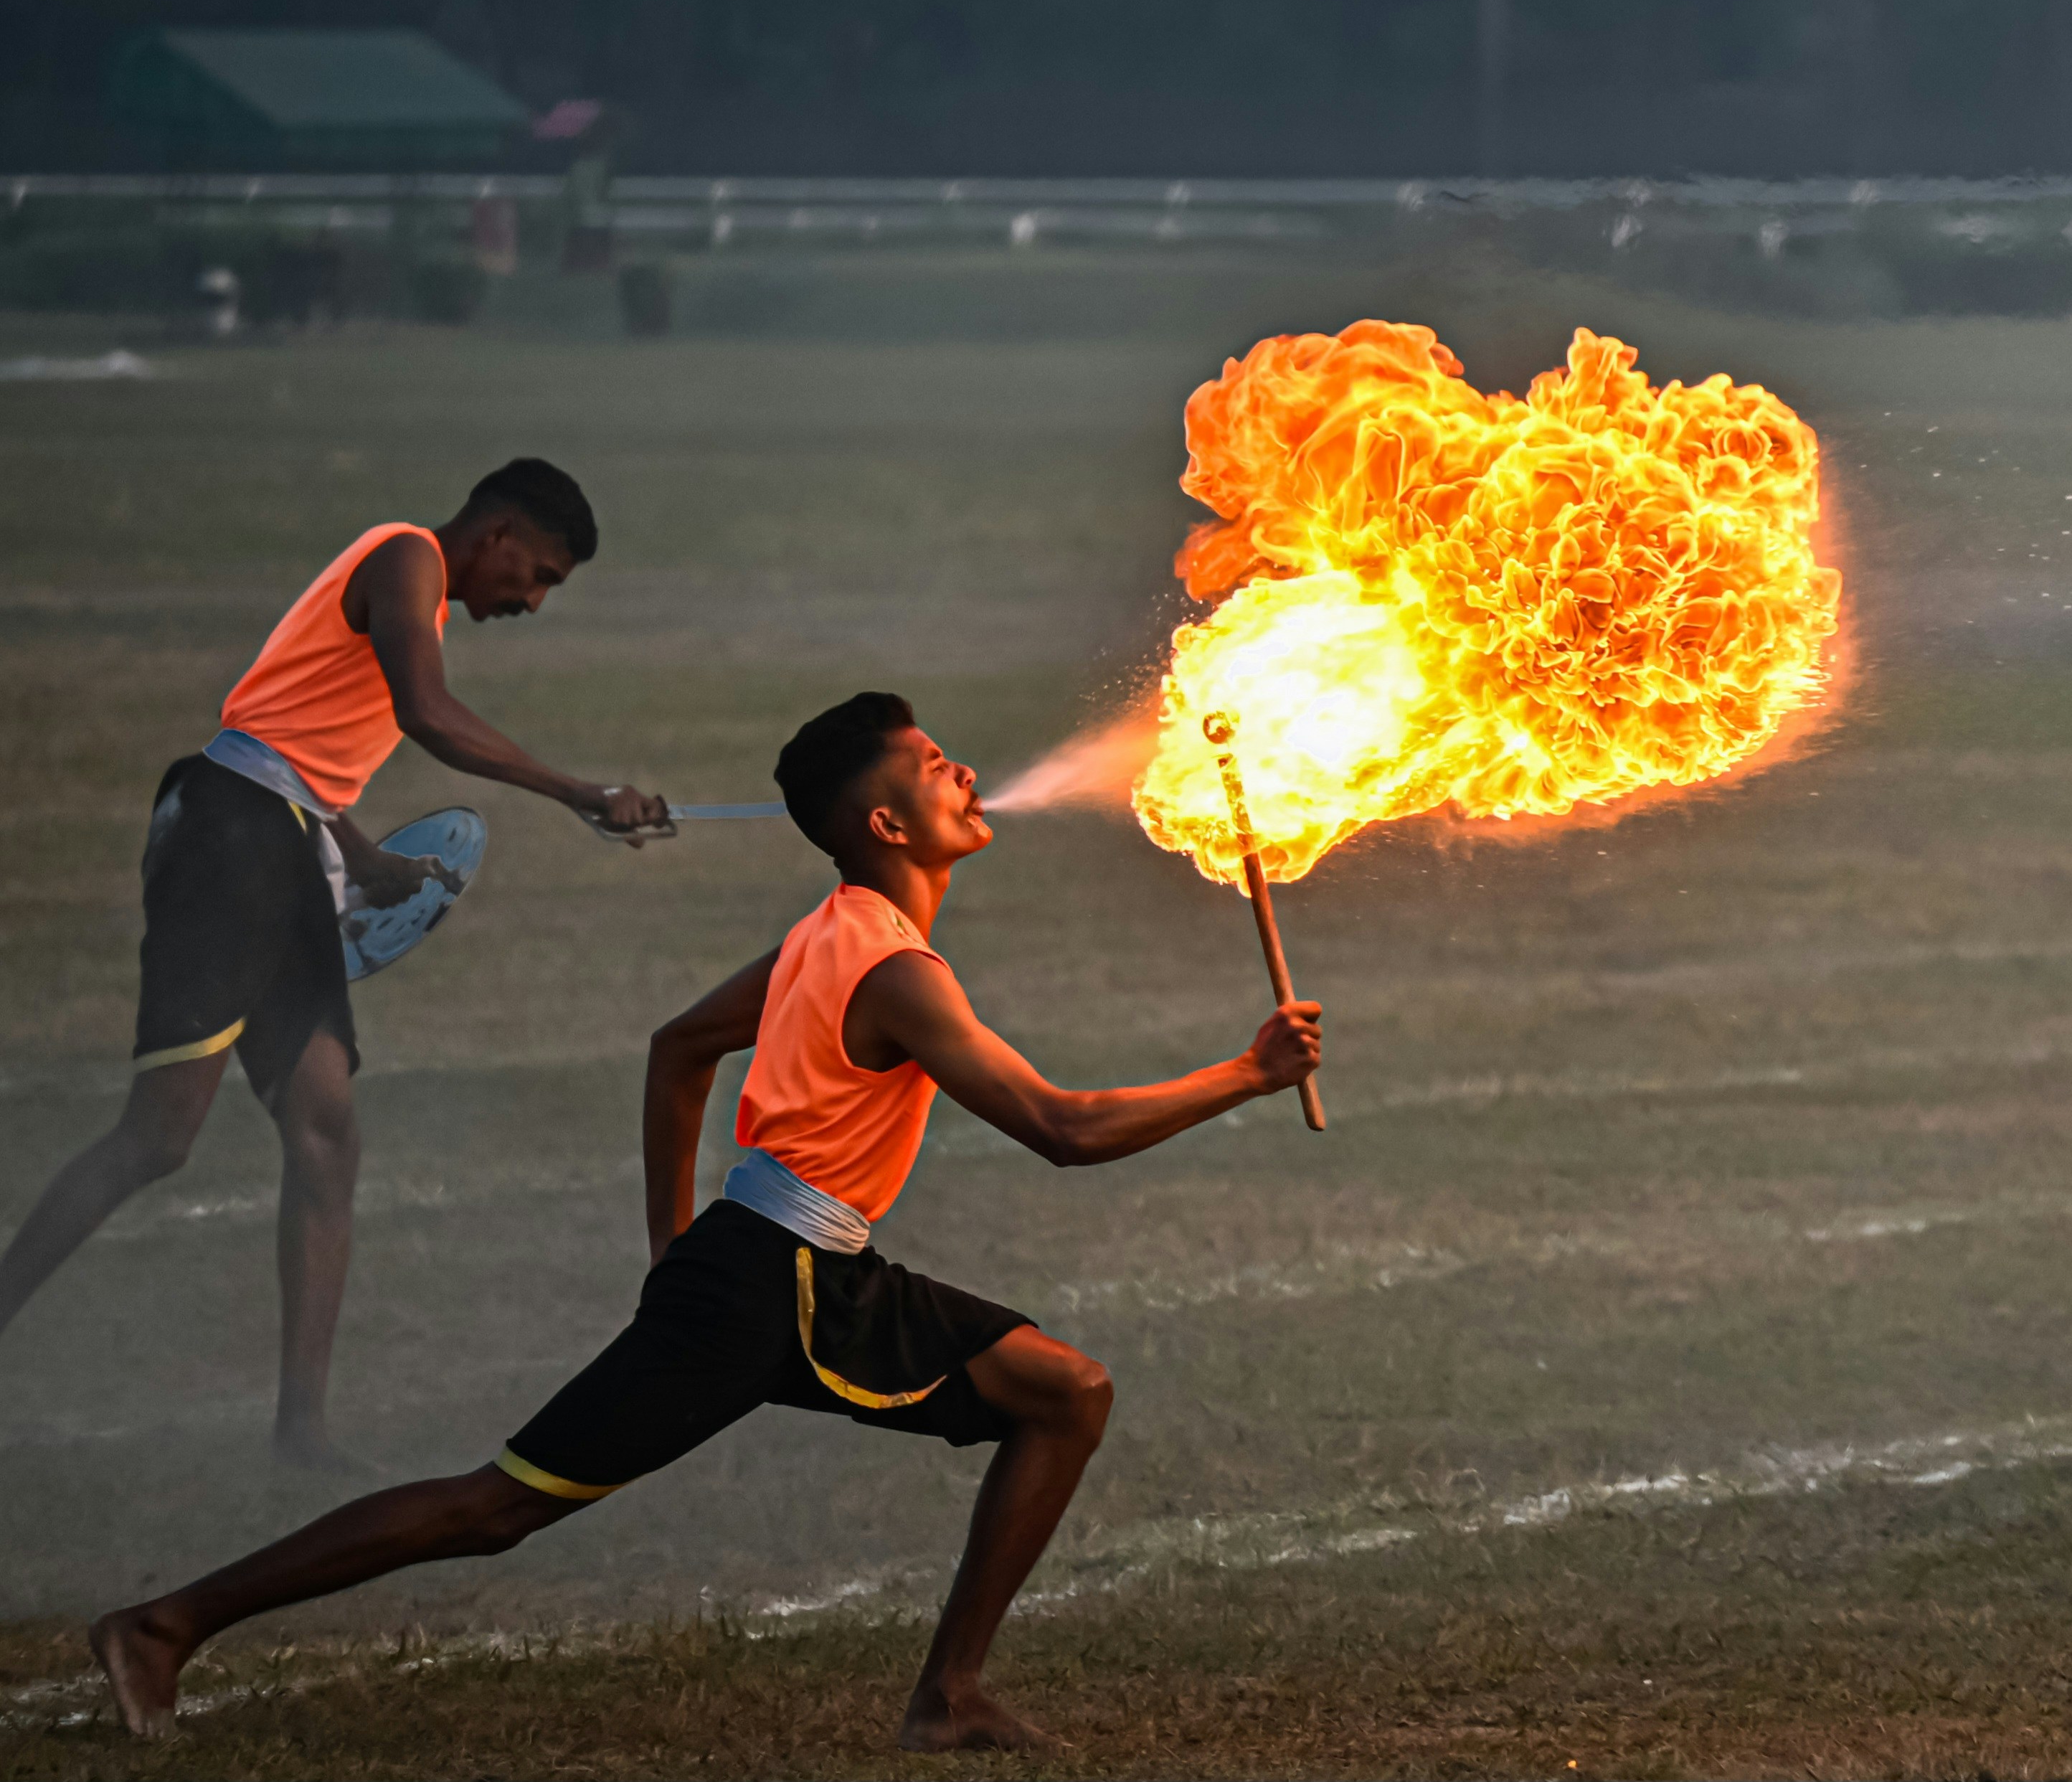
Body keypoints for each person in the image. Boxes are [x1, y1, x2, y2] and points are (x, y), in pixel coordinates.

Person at [85, 693, 1325, 1750]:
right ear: (886, 824)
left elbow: (678, 1047)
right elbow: (1064, 1126)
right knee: (498, 1506)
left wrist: (668, 1239)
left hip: (807, 1271)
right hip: (762, 1283)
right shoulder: (892, 969)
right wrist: (1244, 1074)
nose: (962, 767)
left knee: (1065, 1392)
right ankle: (166, 1623)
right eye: (929, 761)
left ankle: (947, 1696)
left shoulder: (833, 932)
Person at [0, 460, 668, 1470]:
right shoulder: (404, 553)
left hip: (286, 836)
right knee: (159, 1136)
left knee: (326, 1132)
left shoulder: (419, 589)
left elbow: (300, 737)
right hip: (229, 833)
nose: (528, 600)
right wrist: (581, 789)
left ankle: (299, 1436)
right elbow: (427, 715)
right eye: (536, 575)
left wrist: (361, 857)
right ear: (493, 533)